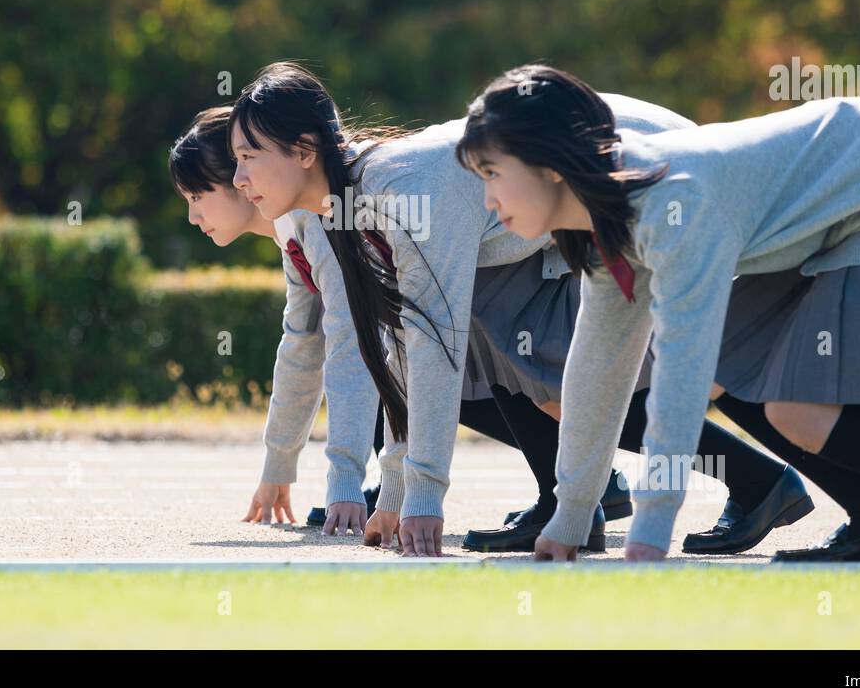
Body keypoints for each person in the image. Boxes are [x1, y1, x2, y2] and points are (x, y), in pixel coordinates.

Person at [227, 61, 815, 556]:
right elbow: (404, 344)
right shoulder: (342, 209)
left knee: (699, 357)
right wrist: (395, 494)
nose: (238, 178)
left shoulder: (401, 187)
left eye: (249, 157)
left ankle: (780, 486)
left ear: (305, 151)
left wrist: (421, 496)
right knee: (535, 364)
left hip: (646, 170)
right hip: (571, 209)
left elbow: (434, 341)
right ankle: (582, 504)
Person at [454, 65, 860, 563]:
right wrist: (571, 515)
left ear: (549, 165)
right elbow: (597, 368)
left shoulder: (670, 205)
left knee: (795, 406)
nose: (487, 200)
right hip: (858, 197)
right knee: (744, 369)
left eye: (492, 175)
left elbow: (680, 374)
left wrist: (650, 532)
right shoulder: (611, 217)